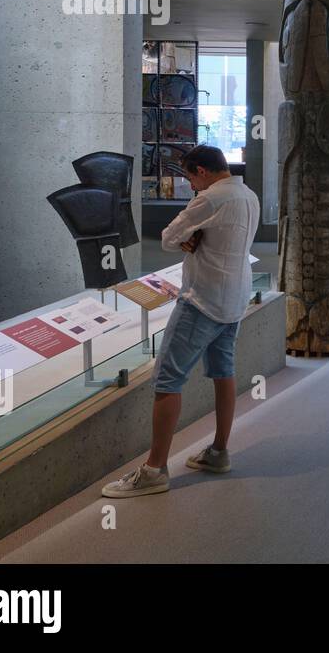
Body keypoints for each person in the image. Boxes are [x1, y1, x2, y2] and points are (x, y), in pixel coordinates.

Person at [102, 145, 259, 498]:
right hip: (235, 297)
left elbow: (170, 238)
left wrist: (190, 238)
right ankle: (218, 451)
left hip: (201, 300)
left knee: (167, 380)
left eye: (190, 176)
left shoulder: (210, 199)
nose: (190, 185)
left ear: (202, 171)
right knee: (223, 371)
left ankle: (155, 469)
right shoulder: (248, 194)